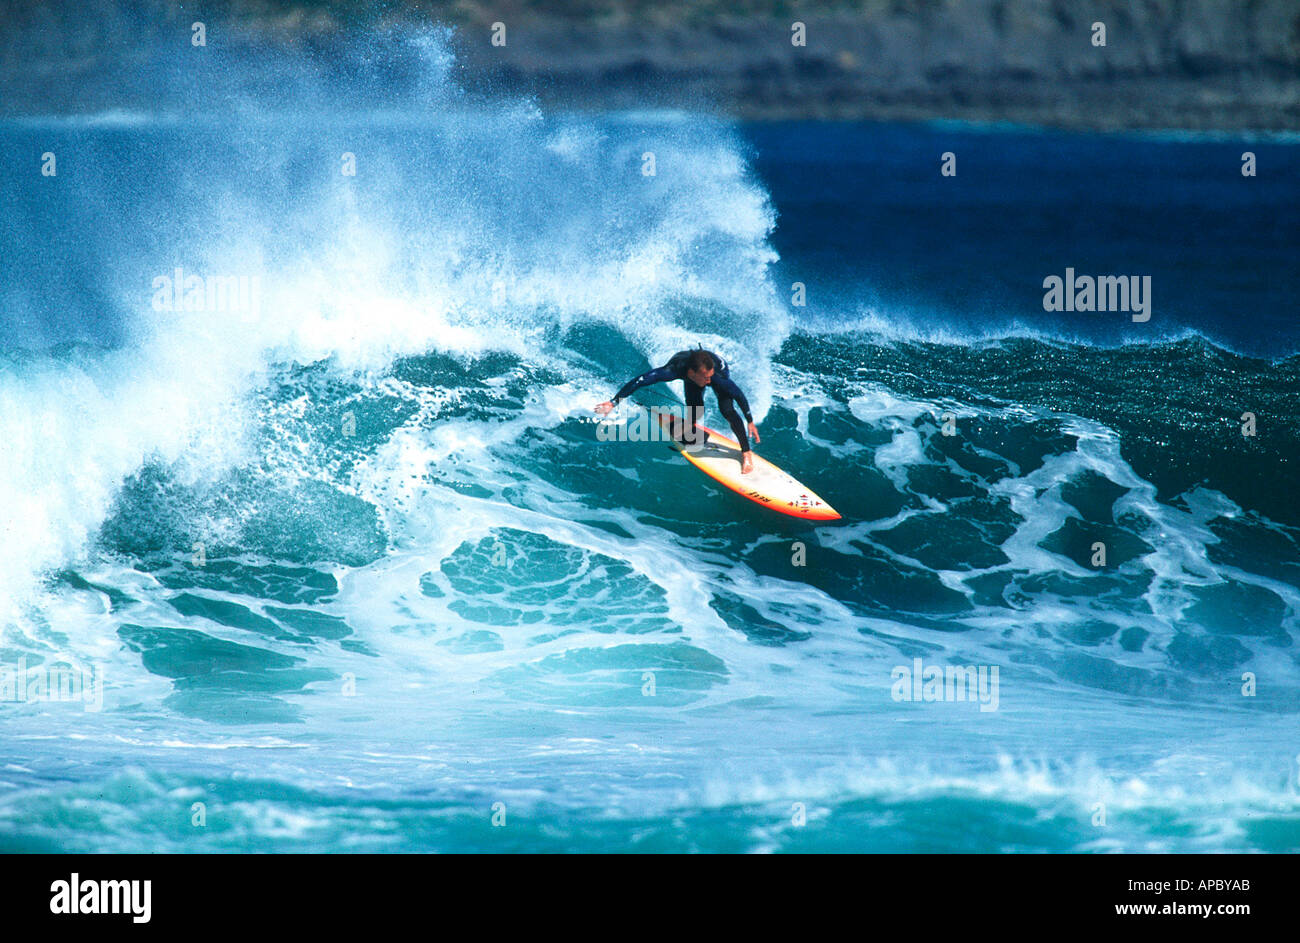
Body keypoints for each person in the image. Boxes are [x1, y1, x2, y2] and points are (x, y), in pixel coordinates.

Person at [594, 349, 761, 474]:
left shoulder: (715, 377)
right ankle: (690, 431)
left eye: (709, 378)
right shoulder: (674, 370)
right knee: (695, 409)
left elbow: (738, 395)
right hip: (693, 371)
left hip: (717, 368)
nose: (709, 382)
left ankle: (746, 453)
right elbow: (641, 380)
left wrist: (750, 421)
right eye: (706, 378)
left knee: (727, 410)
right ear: (691, 373)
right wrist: (613, 402)